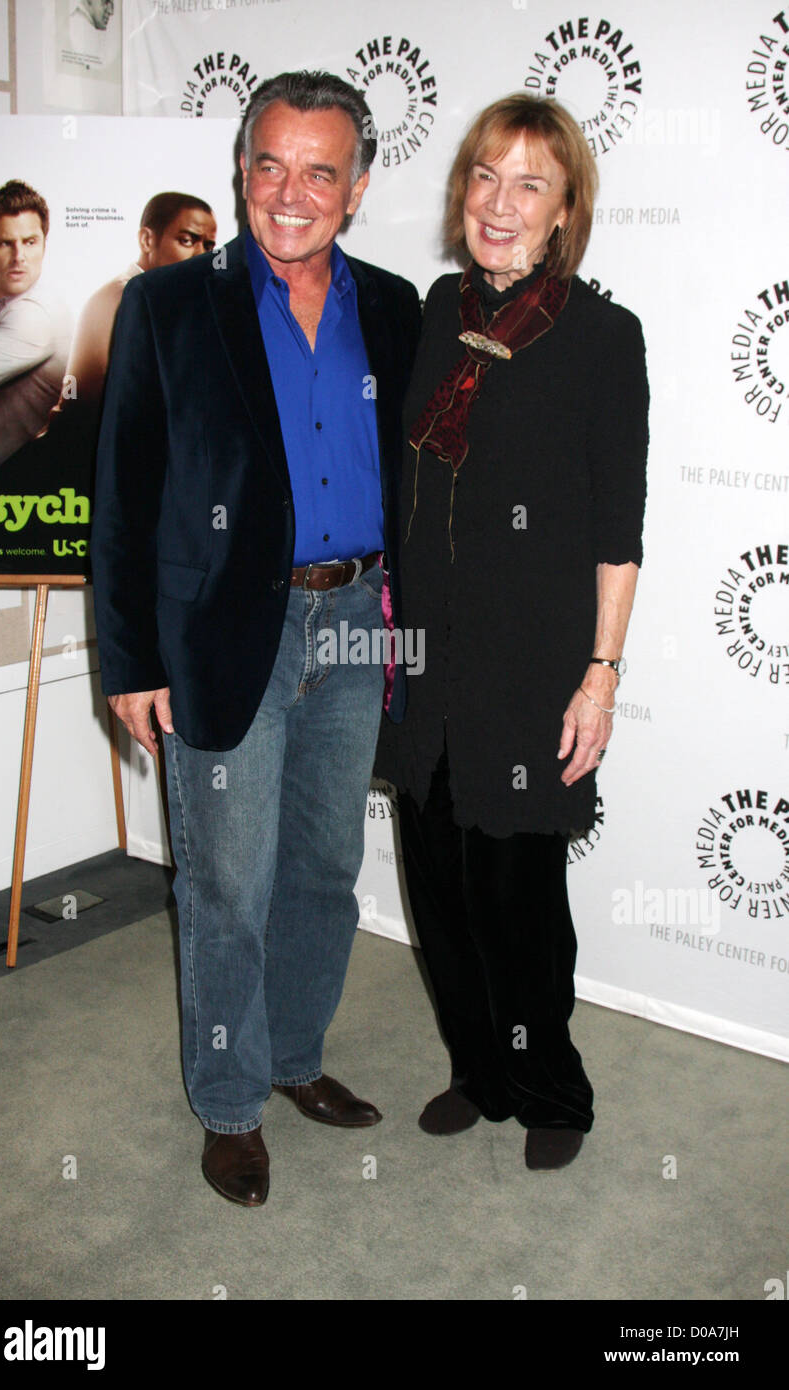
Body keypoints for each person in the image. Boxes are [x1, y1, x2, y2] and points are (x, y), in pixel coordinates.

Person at [91, 70, 421, 1207]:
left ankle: (291, 1058)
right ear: (242, 170)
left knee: (325, 865)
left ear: (358, 186)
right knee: (227, 881)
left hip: (357, 621)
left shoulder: (394, 306)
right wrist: (129, 660)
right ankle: (229, 1104)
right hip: (230, 628)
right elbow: (126, 497)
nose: (290, 191)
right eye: (270, 163)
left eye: (319, 170)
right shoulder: (169, 306)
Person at [376, 93, 649, 1170]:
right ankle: (476, 1071)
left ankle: (549, 1089)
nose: (500, 202)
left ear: (563, 208)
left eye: (528, 183)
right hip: (424, 661)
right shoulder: (431, 314)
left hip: (533, 673)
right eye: (485, 176)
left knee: (521, 902)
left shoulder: (599, 338)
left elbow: (617, 531)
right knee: (438, 885)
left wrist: (600, 674)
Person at [0, 180, 71, 494]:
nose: (19, 256)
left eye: (30, 242)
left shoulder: (36, 313)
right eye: (6, 243)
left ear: (44, 243)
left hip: (13, 496)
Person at [62, 192, 217, 412]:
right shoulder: (125, 299)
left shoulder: (160, 299)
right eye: (187, 240)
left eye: (209, 247)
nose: (202, 257)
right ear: (147, 240)